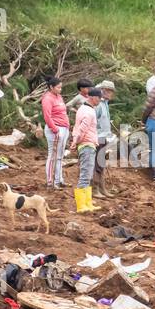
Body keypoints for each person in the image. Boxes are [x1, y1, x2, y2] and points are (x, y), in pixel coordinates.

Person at [71, 82, 102, 213]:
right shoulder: (89, 112)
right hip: (86, 145)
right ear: (93, 97)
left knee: (88, 174)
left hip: (88, 144)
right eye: (99, 98)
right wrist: (75, 142)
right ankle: (81, 205)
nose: (100, 101)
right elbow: (82, 129)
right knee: (85, 175)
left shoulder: (84, 109)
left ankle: (88, 203)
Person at [41, 75, 69, 189]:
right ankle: (50, 182)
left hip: (64, 128)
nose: (60, 89)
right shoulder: (47, 98)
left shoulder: (59, 96)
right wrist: (55, 129)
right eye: (58, 87)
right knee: (52, 156)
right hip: (55, 129)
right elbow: (47, 116)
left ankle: (59, 180)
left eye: (61, 87)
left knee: (60, 156)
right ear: (51, 87)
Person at [93, 80, 116, 198]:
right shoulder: (98, 104)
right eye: (110, 91)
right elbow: (93, 121)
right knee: (97, 164)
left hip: (104, 136)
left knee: (101, 164)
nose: (111, 94)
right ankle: (95, 189)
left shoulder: (105, 103)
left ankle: (102, 189)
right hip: (98, 137)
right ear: (104, 90)